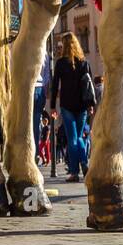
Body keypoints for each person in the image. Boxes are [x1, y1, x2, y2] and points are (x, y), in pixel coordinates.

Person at [50, 33, 94, 182]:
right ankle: (84, 162)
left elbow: (55, 85)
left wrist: (52, 107)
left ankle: (74, 172)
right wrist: (90, 105)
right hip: (82, 105)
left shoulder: (61, 63)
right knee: (80, 136)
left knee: (72, 139)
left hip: (67, 105)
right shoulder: (84, 62)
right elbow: (90, 86)